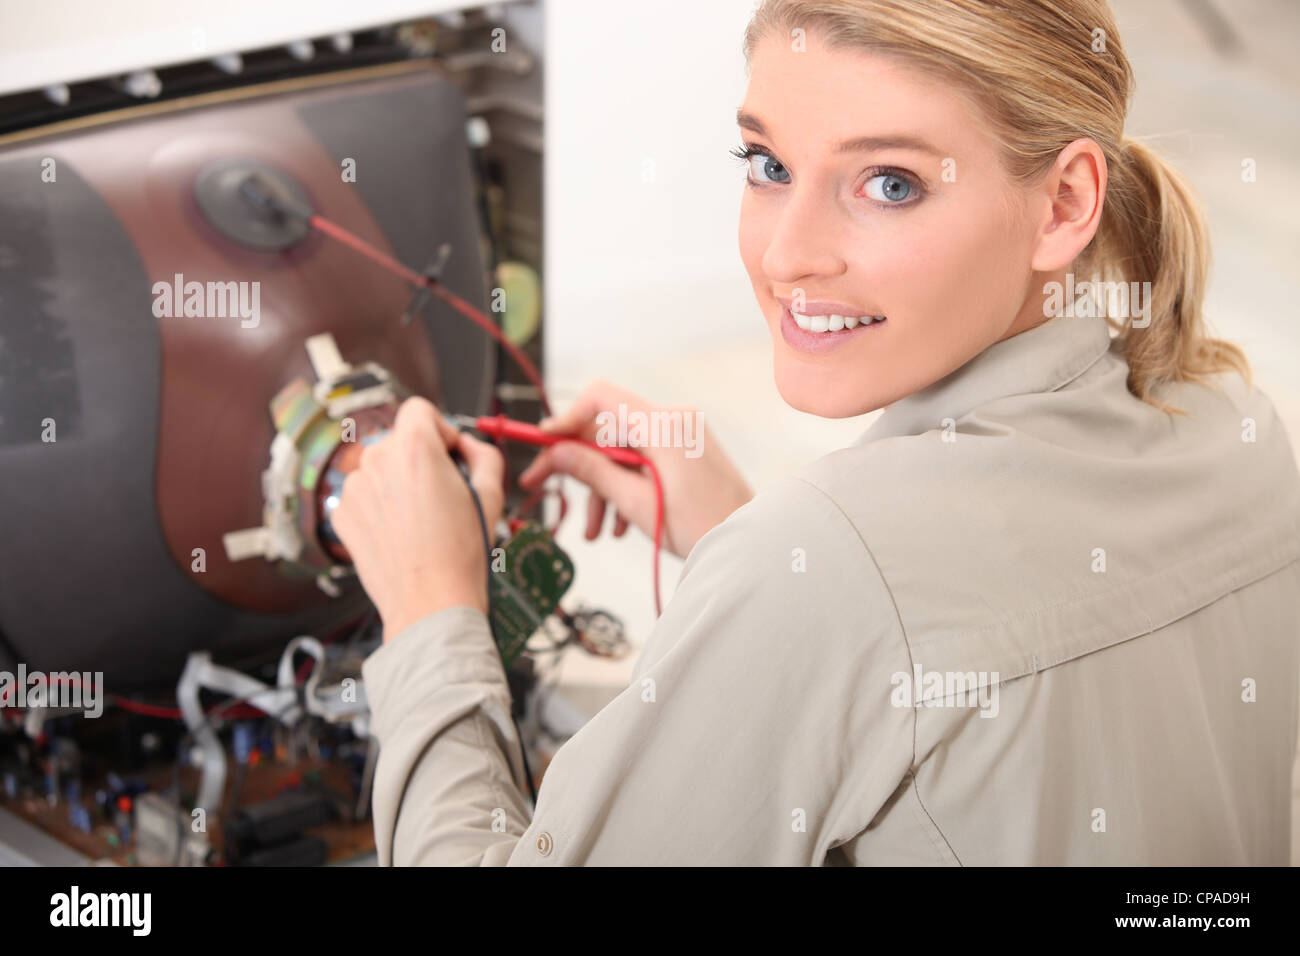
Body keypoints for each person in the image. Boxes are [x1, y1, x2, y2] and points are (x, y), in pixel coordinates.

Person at [330, 0, 1300, 865]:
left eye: (888, 184)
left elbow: (877, 615)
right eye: (767, 165)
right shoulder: (1235, 425)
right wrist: (741, 540)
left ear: (1065, 204)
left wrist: (428, 611)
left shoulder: (832, 572)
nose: (787, 254)